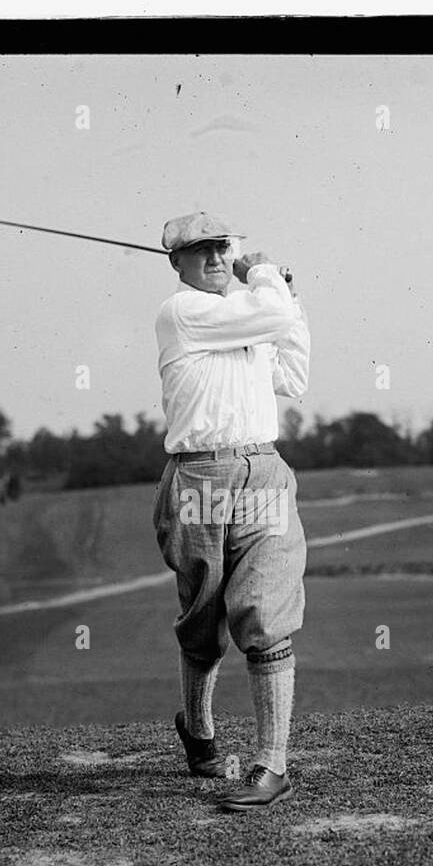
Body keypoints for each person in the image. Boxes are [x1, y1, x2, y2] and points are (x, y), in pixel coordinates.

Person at [152, 211, 310, 812]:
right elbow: (267, 313)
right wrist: (267, 276)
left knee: (265, 612)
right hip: (197, 476)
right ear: (178, 264)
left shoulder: (243, 322)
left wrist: (287, 296)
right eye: (202, 251)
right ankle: (198, 729)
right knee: (204, 618)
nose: (217, 258)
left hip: (263, 473)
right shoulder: (183, 312)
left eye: (224, 249)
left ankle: (272, 765)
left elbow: (292, 373)